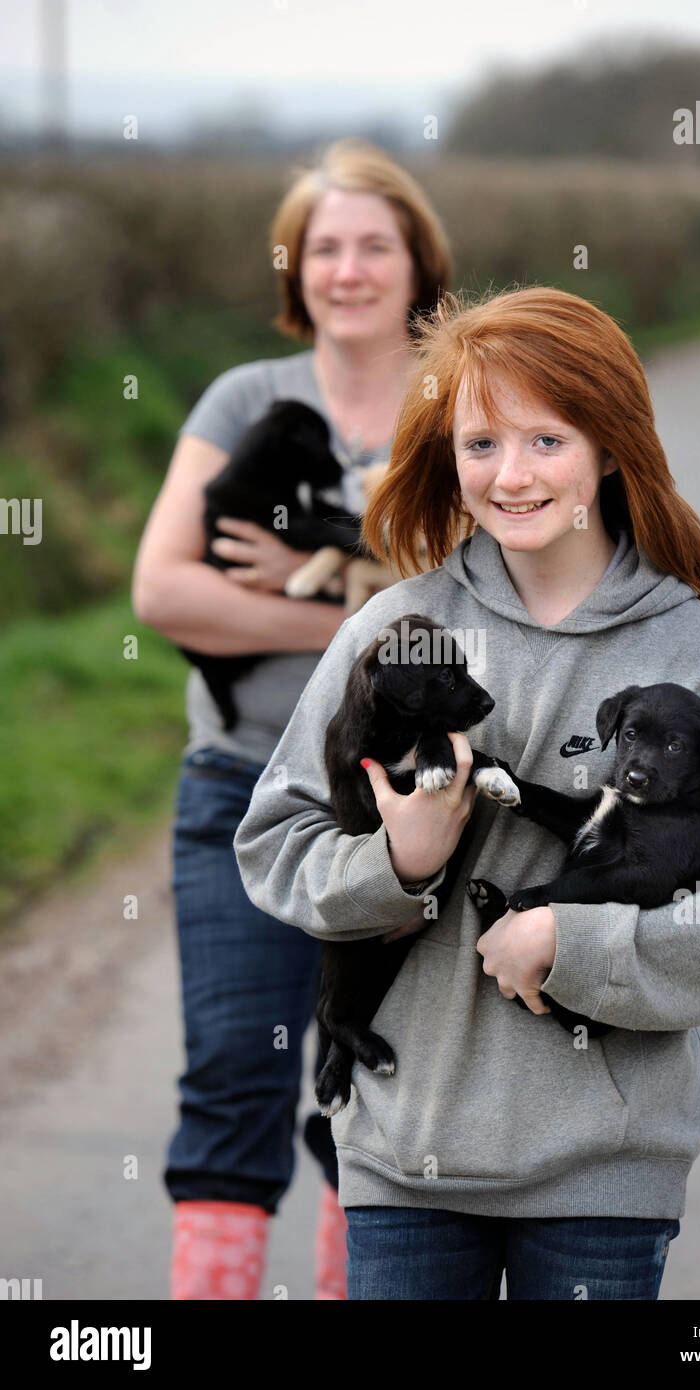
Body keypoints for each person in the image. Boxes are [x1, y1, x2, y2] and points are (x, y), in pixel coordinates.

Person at [232, 285, 700, 1301]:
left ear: (611, 446)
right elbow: (274, 846)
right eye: (480, 442)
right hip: (402, 1158)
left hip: (600, 1178)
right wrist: (394, 864)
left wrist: (574, 945)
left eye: (547, 439)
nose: (512, 474)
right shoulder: (392, 630)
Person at [131, 137, 452, 1300]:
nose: (349, 268)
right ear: (294, 268)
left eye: (375, 244)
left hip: (406, 810)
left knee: (378, 1081)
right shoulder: (244, 399)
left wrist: (278, 588)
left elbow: (470, 618)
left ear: (419, 263)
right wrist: (355, 615)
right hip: (239, 783)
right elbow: (162, 590)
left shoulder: (462, 405)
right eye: (325, 246)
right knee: (231, 1075)